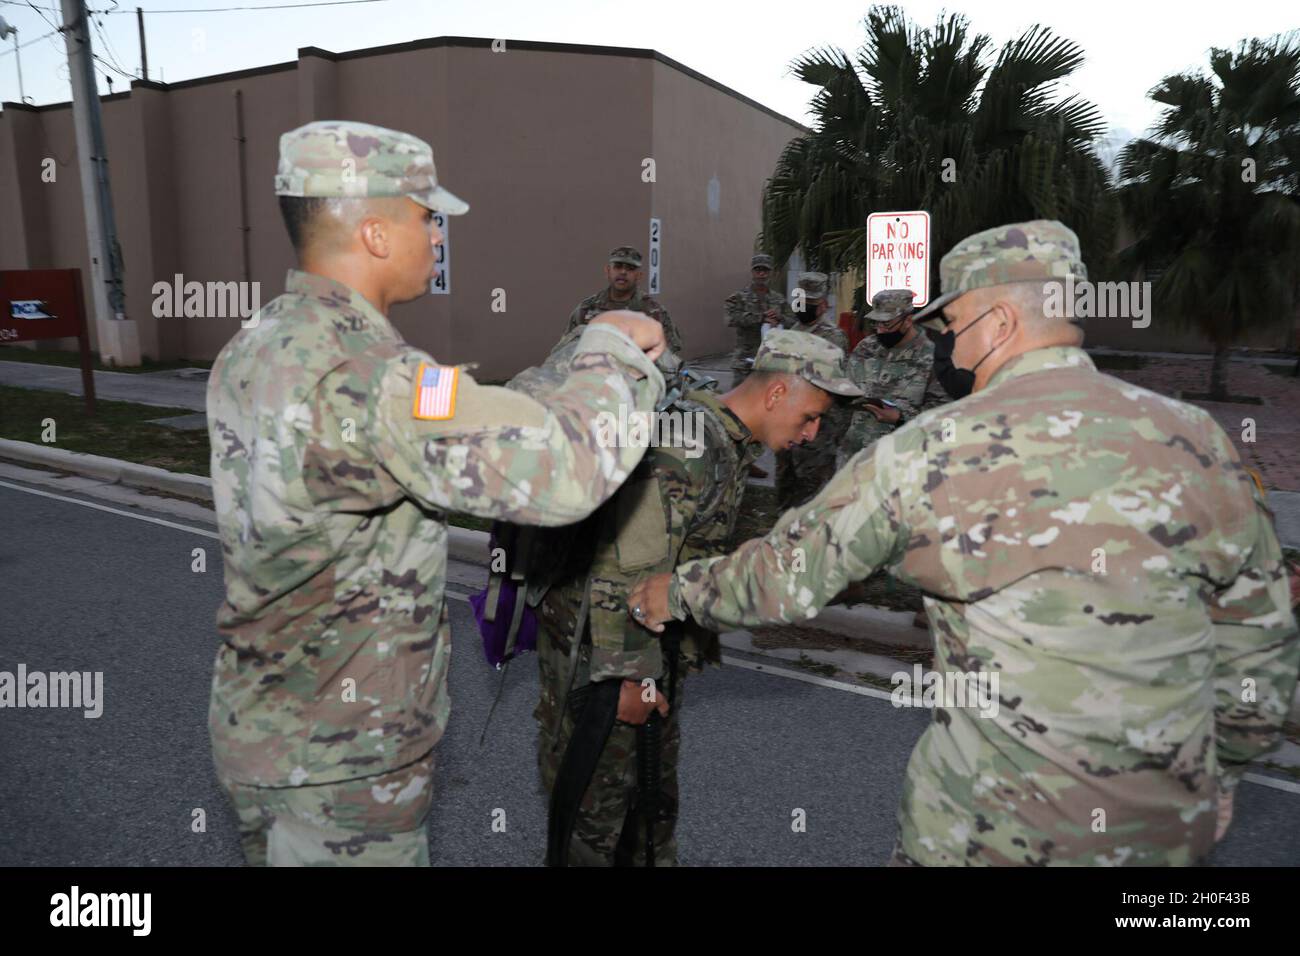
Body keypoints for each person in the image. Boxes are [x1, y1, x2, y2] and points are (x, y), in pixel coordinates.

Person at [628, 219, 1300, 866]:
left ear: (1001, 323)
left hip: (988, 833)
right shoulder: (1199, 442)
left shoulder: (930, 452)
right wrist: (1220, 773)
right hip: (1162, 834)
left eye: (954, 326)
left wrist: (674, 592)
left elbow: (786, 577)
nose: (950, 345)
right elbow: (1260, 639)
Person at [206, 120, 668, 867]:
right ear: (377, 232)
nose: (440, 236)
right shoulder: (368, 375)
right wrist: (611, 352)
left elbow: (462, 412)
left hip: (267, 726)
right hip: (344, 766)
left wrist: (555, 374)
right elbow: (566, 471)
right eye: (428, 217)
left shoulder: (265, 339)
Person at [524, 330, 857, 865]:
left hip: (650, 652)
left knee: (649, 808)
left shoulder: (724, 441)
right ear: (777, 394)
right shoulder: (691, 446)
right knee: (594, 820)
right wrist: (630, 678)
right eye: (809, 416)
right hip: (605, 660)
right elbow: (627, 566)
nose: (812, 433)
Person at [842, 288, 949, 466]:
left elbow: (944, 418)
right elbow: (846, 392)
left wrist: (901, 416)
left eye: (887, 324)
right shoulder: (866, 349)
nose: (881, 331)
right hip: (856, 457)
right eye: (876, 324)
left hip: (902, 462)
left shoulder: (932, 357)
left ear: (907, 320)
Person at [774, 272, 851, 510]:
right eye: (800, 302)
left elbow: (827, 383)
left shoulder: (832, 337)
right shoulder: (792, 330)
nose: (803, 308)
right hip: (787, 422)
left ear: (823, 306)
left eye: (810, 304)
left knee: (813, 489)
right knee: (786, 483)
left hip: (818, 426)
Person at [567, 246, 684, 355]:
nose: (623, 272)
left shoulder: (654, 312)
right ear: (608, 271)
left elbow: (669, 357)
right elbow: (567, 349)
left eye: (630, 268)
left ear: (639, 276)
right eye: (618, 266)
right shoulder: (586, 309)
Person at [724, 253, 791, 384]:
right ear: (752, 272)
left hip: (771, 361)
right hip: (745, 361)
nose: (762, 274)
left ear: (770, 273)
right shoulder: (738, 297)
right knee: (739, 401)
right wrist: (761, 318)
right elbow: (730, 319)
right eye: (758, 270)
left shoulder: (779, 299)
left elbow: (793, 321)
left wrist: (780, 318)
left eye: (765, 270)